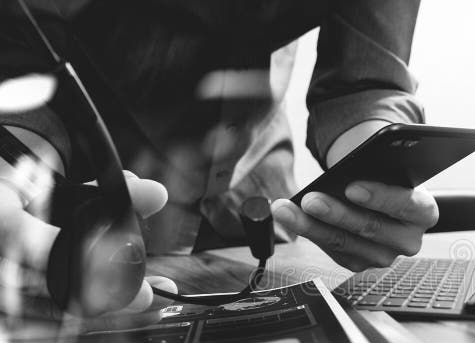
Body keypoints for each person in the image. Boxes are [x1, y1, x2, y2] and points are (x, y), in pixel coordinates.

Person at [0, 0, 438, 315]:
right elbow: (21, 62)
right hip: (87, 221)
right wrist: (18, 176)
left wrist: (371, 170)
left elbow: (365, 80)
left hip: (260, 216)